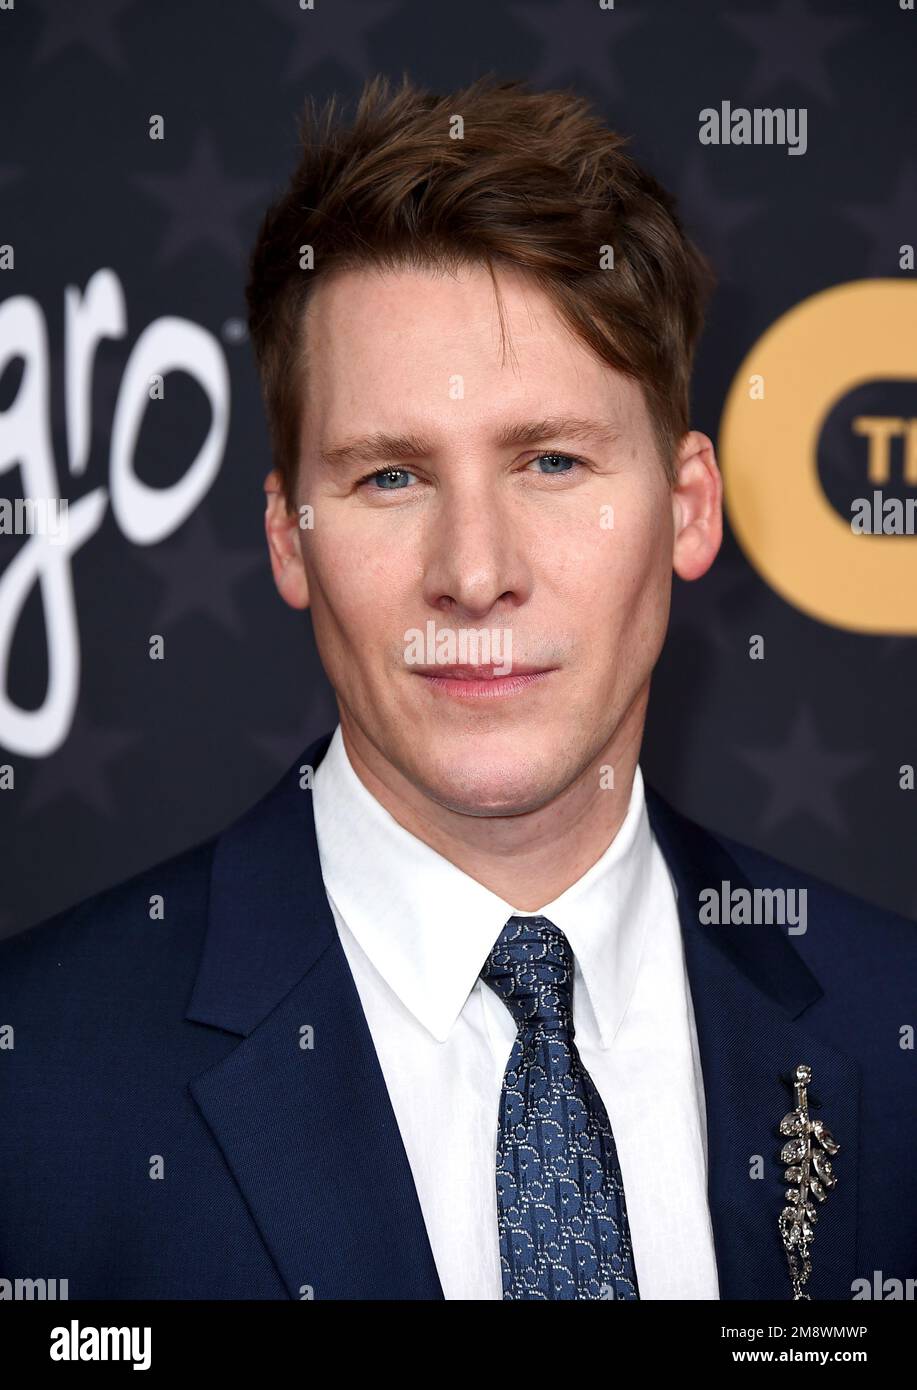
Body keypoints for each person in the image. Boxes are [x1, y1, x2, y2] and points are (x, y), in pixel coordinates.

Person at [1, 75, 914, 1302]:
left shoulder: (890, 1023)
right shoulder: (36, 1086)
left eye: (549, 459)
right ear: (287, 536)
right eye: (390, 477)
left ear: (687, 507)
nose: (473, 574)